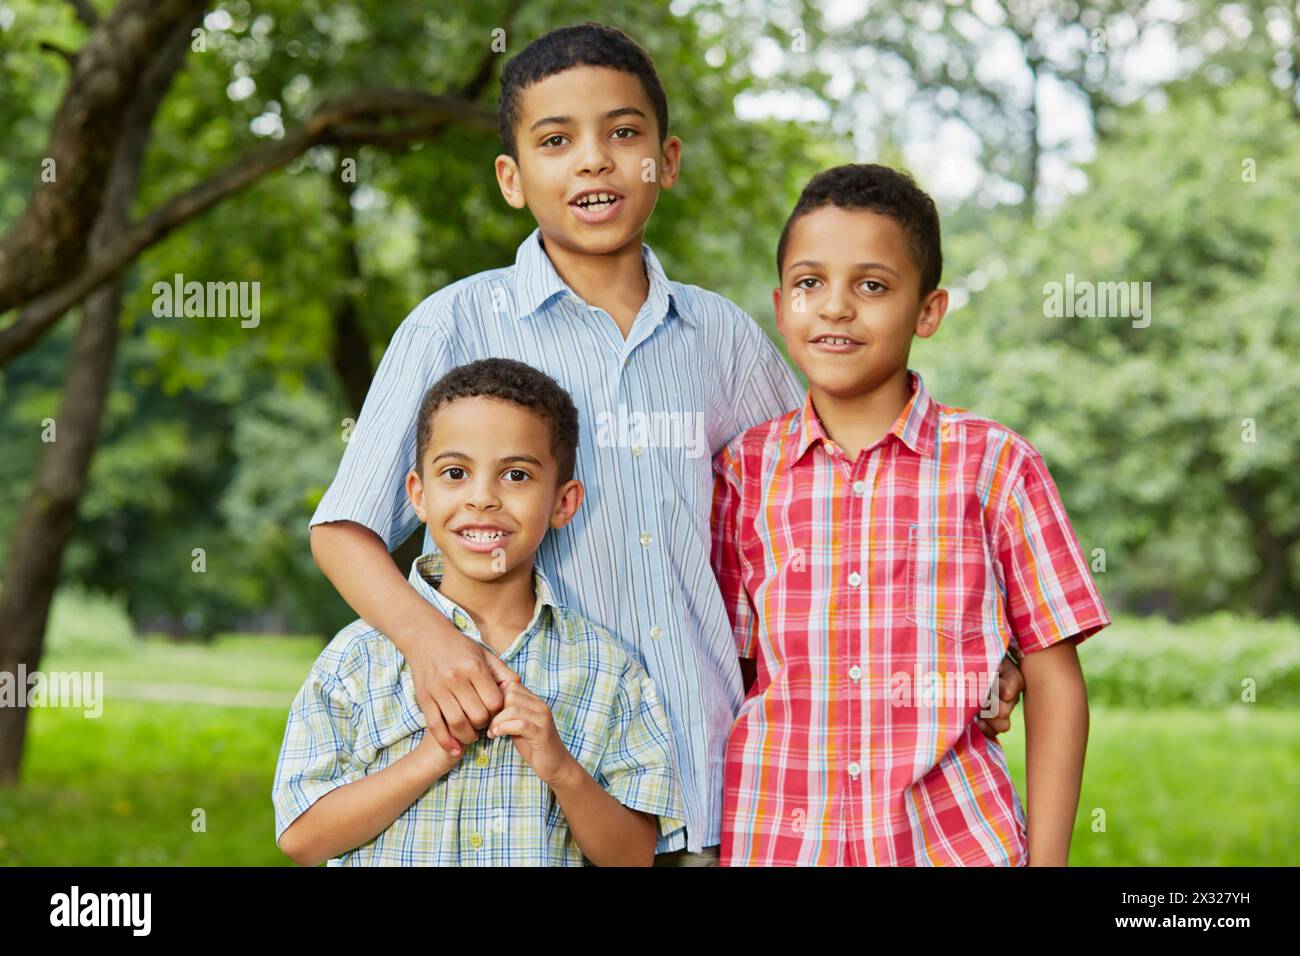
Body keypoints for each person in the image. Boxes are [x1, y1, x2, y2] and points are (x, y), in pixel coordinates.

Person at [308, 23, 1024, 865]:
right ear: (511, 177)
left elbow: (836, 501)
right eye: (555, 140)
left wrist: (980, 637)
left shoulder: (720, 339)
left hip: (706, 776)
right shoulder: (455, 324)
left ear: (667, 160)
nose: (594, 161)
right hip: (515, 788)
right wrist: (433, 646)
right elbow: (344, 529)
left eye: (623, 133)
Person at [711, 164, 1110, 866]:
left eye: (871, 285)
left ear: (928, 311)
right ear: (780, 307)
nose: (835, 307)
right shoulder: (743, 473)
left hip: (952, 844)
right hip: (781, 842)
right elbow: (733, 672)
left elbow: (1053, 677)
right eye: (810, 283)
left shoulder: (996, 465)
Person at [275, 359, 683, 865]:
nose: (483, 498)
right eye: (455, 473)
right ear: (418, 495)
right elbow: (301, 836)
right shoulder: (358, 658)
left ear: (563, 502)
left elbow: (633, 857)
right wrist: (431, 756)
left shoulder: (607, 669)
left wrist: (561, 768)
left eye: (516, 475)